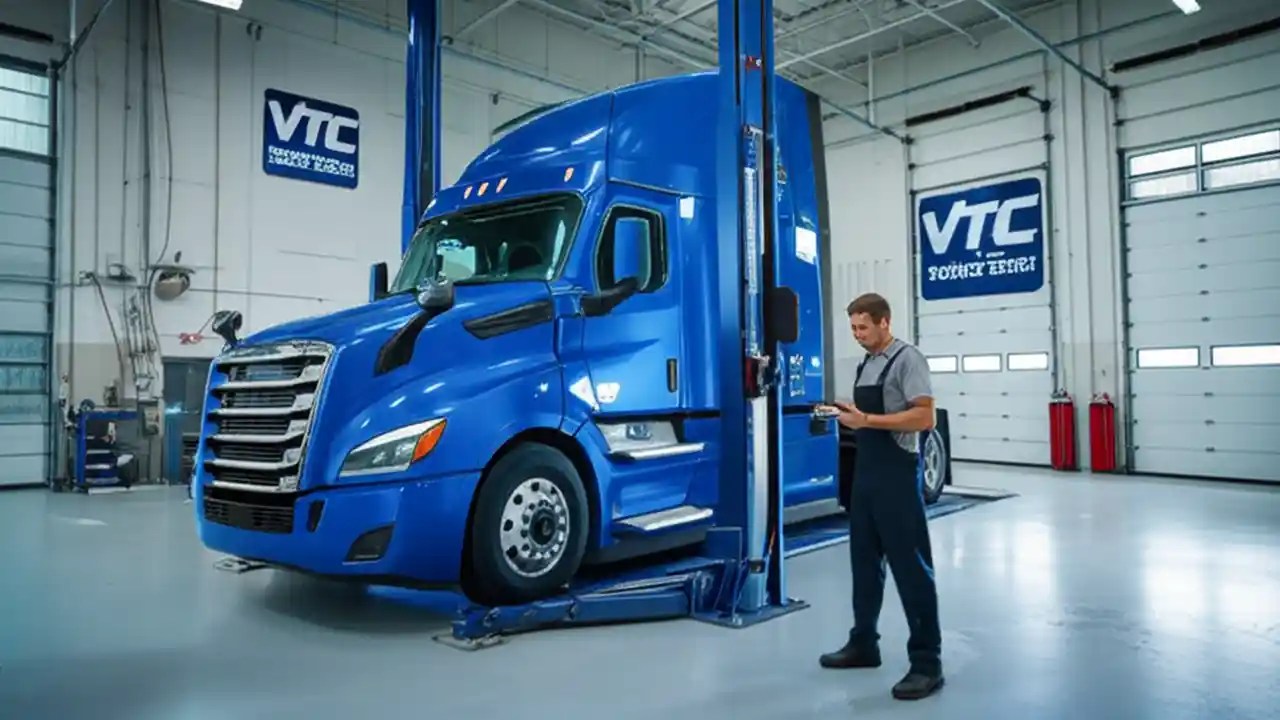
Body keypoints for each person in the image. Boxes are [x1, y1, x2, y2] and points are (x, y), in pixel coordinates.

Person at [816, 292, 944, 701]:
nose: (857, 335)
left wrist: (866, 418)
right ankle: (864, 644)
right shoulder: (867, 362)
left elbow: (924, 416)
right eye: (853, 328)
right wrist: (846, 411)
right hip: (867, 479)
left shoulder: (908, 359)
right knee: (864, 565)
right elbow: (874, 413)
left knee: (912, 570)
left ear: (884, 322)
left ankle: (927, 664)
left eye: (863, 327)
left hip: (897, 477)